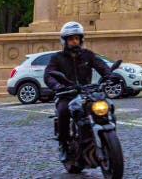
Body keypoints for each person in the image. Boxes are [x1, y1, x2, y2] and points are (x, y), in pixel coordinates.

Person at [44, 21, 113, 163]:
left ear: (81, 40)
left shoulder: (88, 55)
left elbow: (101, 65)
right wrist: (57, 86)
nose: (74, 41)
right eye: (71, 39)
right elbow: (48, 75)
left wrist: (110, 76)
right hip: (66, 94)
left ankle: (109, 136)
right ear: (65, 41)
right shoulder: (57, 58)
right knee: (63, 111)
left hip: (87, 92)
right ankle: (63, 144)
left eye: (77, 38)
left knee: (108, 105)